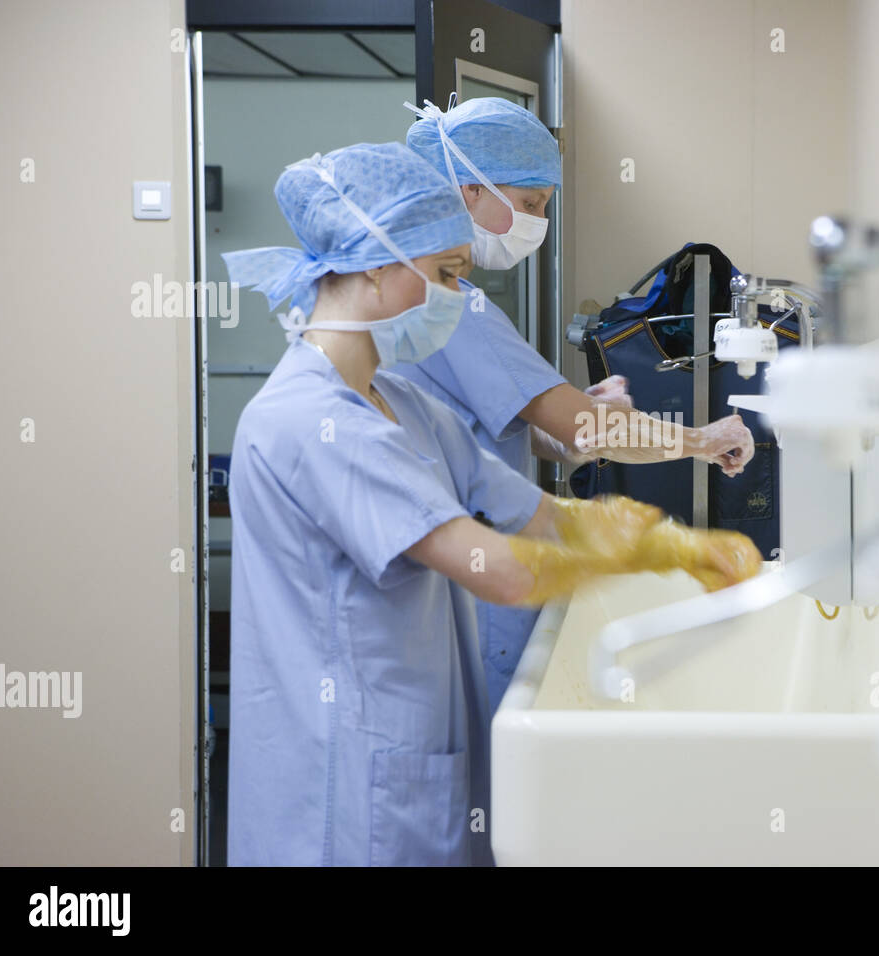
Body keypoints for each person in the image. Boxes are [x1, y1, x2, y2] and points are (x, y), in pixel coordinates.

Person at [221, 141, 761, 867]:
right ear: (376, 264)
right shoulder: (315, 425)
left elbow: (534, 513)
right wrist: (621, 551)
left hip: (412, 747)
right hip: (343, 782)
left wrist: (671, 545)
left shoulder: (403, 403)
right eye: (444, 275)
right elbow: (499, 570)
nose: (455, 299)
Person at [403, 96, 758, 712]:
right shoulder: (449, 307)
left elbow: (488, 425)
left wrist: (568, 424)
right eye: (531, 204)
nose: (537, 223)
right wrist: (702, 440)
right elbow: (594, 434)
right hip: (465, 579)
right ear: (469, 192)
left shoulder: (429, 297)